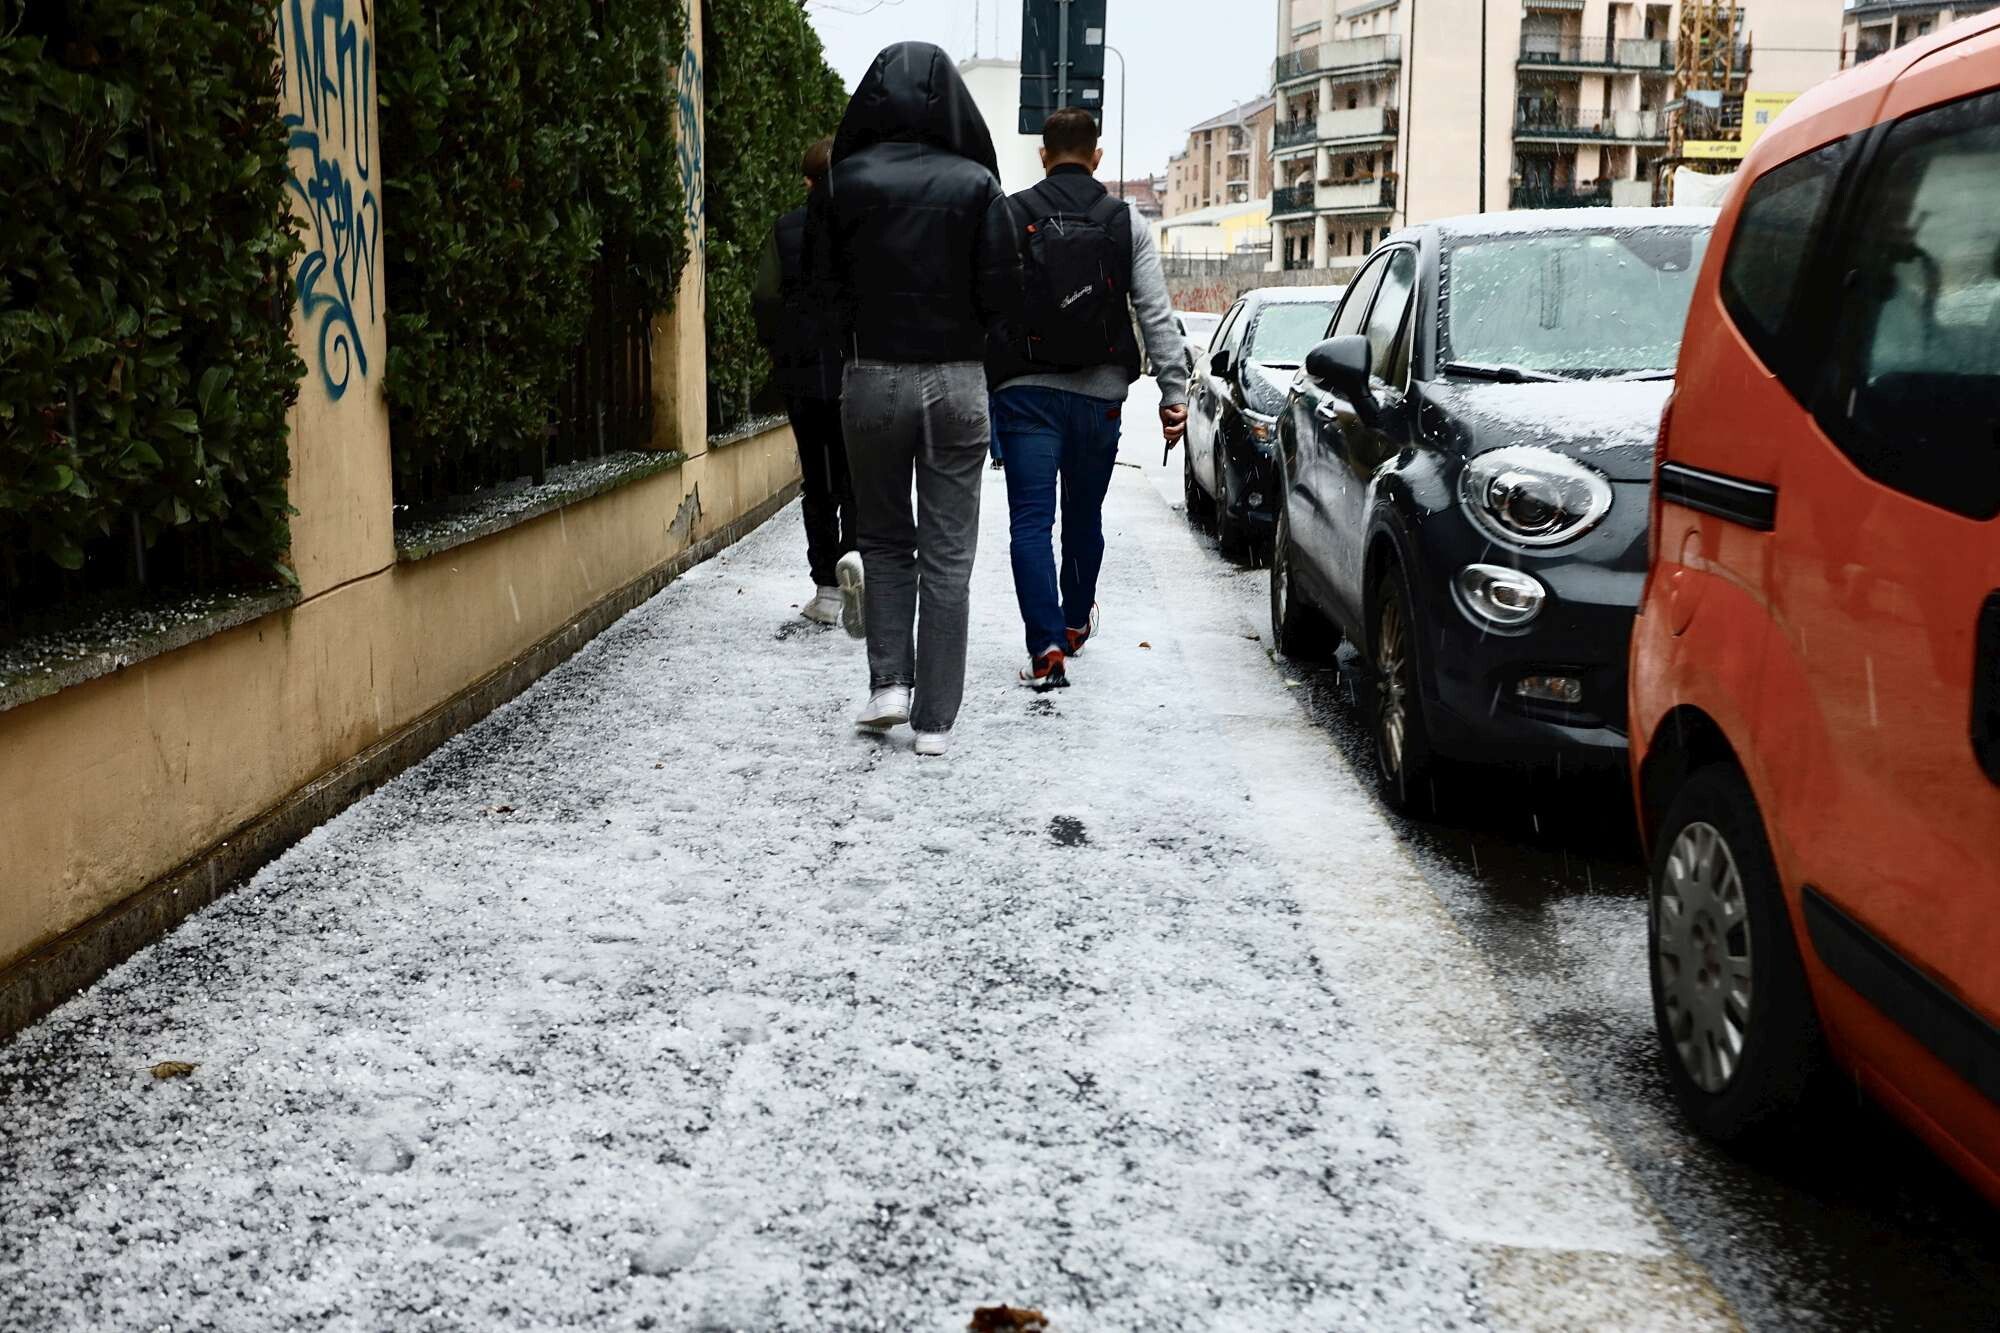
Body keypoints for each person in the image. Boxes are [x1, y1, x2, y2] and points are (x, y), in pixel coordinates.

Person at [808, 42, 1018, 758]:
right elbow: (1003, 295)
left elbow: (820, 289)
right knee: (948, 556)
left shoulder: (845, 182)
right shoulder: (977, 185)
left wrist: (856, 347)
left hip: (873, 375)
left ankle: (888, 685)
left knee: (886, 539)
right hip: (957, 378)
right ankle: (934, 723)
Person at [988, 107, 1189, 690]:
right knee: (1083, 514)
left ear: (1043, 155)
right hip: (1099, 394)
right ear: (1096, 155)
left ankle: (1045, 646)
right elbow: (1154, 310)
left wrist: (987, 385)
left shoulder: (1011, 213)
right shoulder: (1124, 220)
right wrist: (1172, 392)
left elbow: (990, 306)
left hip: (1025, 394)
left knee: (1030, 519)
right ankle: (1075, 622)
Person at [752, 137, 854, 626]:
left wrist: (782, 346)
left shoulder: (787, 228)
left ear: (806, 179)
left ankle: (827, 589)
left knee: (818, 481)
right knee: (857, 479)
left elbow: (764, 297)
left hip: (802, 374)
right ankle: (858, 570)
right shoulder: (864, 227)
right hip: (854, 372)